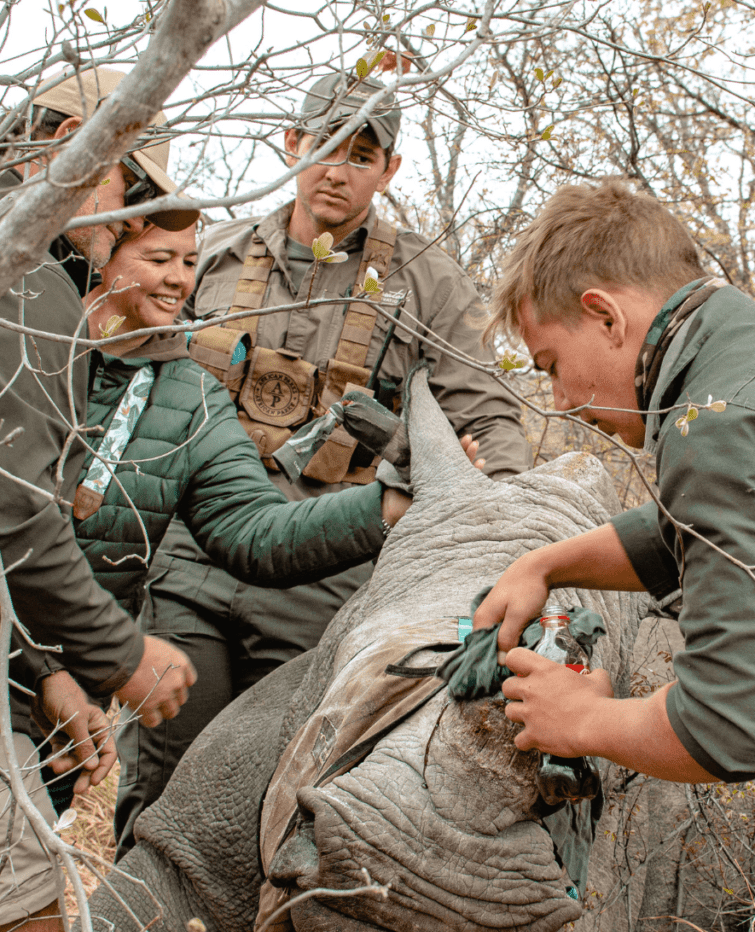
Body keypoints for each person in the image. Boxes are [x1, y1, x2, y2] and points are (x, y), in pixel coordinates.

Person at [113, 71, 533, 857]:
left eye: (363, 155)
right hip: (192, 566)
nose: (338, 169)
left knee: (276, 799)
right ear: (292, 144)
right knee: (160, 794)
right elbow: (121, 369)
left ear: (390, 171)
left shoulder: (423, 281)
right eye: (326, 146)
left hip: (324, 581)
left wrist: (514, 534)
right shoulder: (209, 255)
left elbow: (484, 411)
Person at [0, 68, 199, 932]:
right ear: (76, 147)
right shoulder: (21, 272)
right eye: (131, 194)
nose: (130, 227)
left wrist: (44, 667)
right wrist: (115, 654)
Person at [473, 176, 755, 785]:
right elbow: (693, 531)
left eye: (552, 366)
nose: (563, 400)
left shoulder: (713, 428)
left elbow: (727, 725)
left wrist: (582, 719)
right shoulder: (736, 359)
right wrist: (543, 565)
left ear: (604, 316)